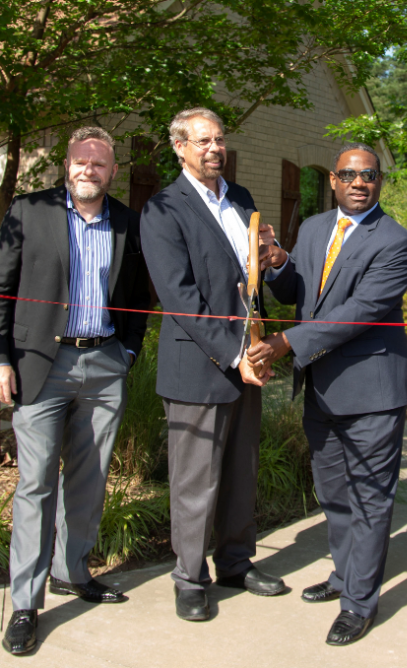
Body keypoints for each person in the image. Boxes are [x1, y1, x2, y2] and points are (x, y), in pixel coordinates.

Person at [0, 126, 151, 655]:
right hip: (39, 366)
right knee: (34, 483)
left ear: (112, 171)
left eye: (98, 164)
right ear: (66, 164)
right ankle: (26, 603)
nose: (87, 171)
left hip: (103, 361)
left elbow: (136, 298)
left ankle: (72, 571)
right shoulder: (28, 211)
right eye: (80, 161)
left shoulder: (127, 221)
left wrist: (125, 353)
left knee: (89, 478)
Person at [248, 142, 407, 646]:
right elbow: (298, 291)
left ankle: (359, 604)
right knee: (336, 495)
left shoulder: (396, 242)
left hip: (372, 393)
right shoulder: (316, 228)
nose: (359, 182)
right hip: (320, 390)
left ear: (379, 182)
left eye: (368, 174)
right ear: (334, 182)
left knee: (369, 499)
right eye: (348, 174)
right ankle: (345, 576)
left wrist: (286, 343)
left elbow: (360, 312)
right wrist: (279, 263)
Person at [141, 107, 283, 623]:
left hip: (251, 357)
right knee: (195, 480)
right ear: (179, 147)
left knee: (241, 472)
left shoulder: (241, 199)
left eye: (219, 140)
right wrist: (232, 353)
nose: (214, 149)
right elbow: (180, 297)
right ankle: (189, 578)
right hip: (201, 363)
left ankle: (237, 563)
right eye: (202, 141)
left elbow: (246, 279)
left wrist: (268, 257)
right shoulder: (163, 209)